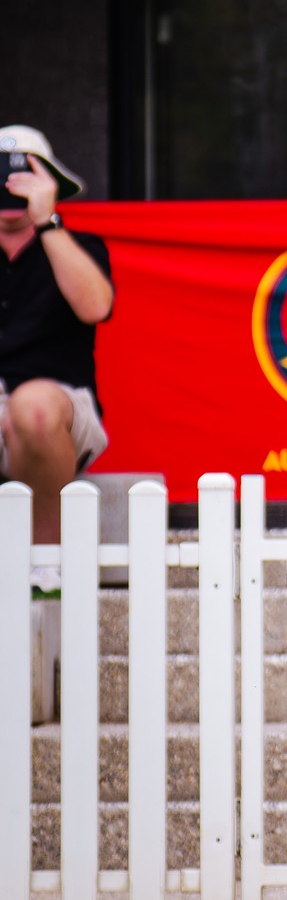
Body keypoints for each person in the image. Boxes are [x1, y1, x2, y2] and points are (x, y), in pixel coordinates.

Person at [0, 127, 116, 593]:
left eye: (24, 175)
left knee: (34, 406)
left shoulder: (80, 245)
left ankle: (48, 560)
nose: (12, 188)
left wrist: (47, 222)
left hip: (59, 411)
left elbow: (96, 307)